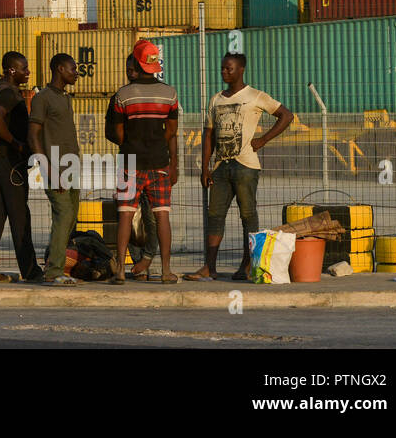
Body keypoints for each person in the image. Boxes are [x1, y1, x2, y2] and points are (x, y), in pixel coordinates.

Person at [185, 52, 295, 281]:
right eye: (223, 68)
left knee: (248, 215)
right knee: (215, 215)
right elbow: (209, 134)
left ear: (241, 69)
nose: (225, 72)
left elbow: (286, 115)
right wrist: (205, 168)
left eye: (229, 68)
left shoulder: (255, 96)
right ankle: (210, 267)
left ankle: (248, 264)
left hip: (246, 165)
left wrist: (263, 140)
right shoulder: (216, 99)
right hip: (220, 167)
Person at [106, 39, 179, 284]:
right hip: (159, 162)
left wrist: (133, 143)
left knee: (125, 216)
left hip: (130, 162)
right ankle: (167, 271)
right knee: (162, 217)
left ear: (136, 63)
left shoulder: (123, 95)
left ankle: (119, 271)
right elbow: (171, 130)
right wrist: (157, 143)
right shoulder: (170, 93)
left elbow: (117, 133)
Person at [0, 51, 42, 283]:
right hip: (11, 162)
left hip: (4, 161)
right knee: (20, 217)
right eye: (24, 68)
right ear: (12, 71)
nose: (28, 72)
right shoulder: (8, 93)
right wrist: (17, 143)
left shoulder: (7, 90)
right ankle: (32, 271)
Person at [29, 53, 81, 286]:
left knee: (70, 219)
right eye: (72, 69)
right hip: (54, 168)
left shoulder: (65, 97)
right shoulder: (43, 98)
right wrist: (46, 166)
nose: (76, 72)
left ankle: (55, 264)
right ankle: (53, 272)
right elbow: (34, 134)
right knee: (64, 214)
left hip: (72, 166)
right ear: (60, 69)